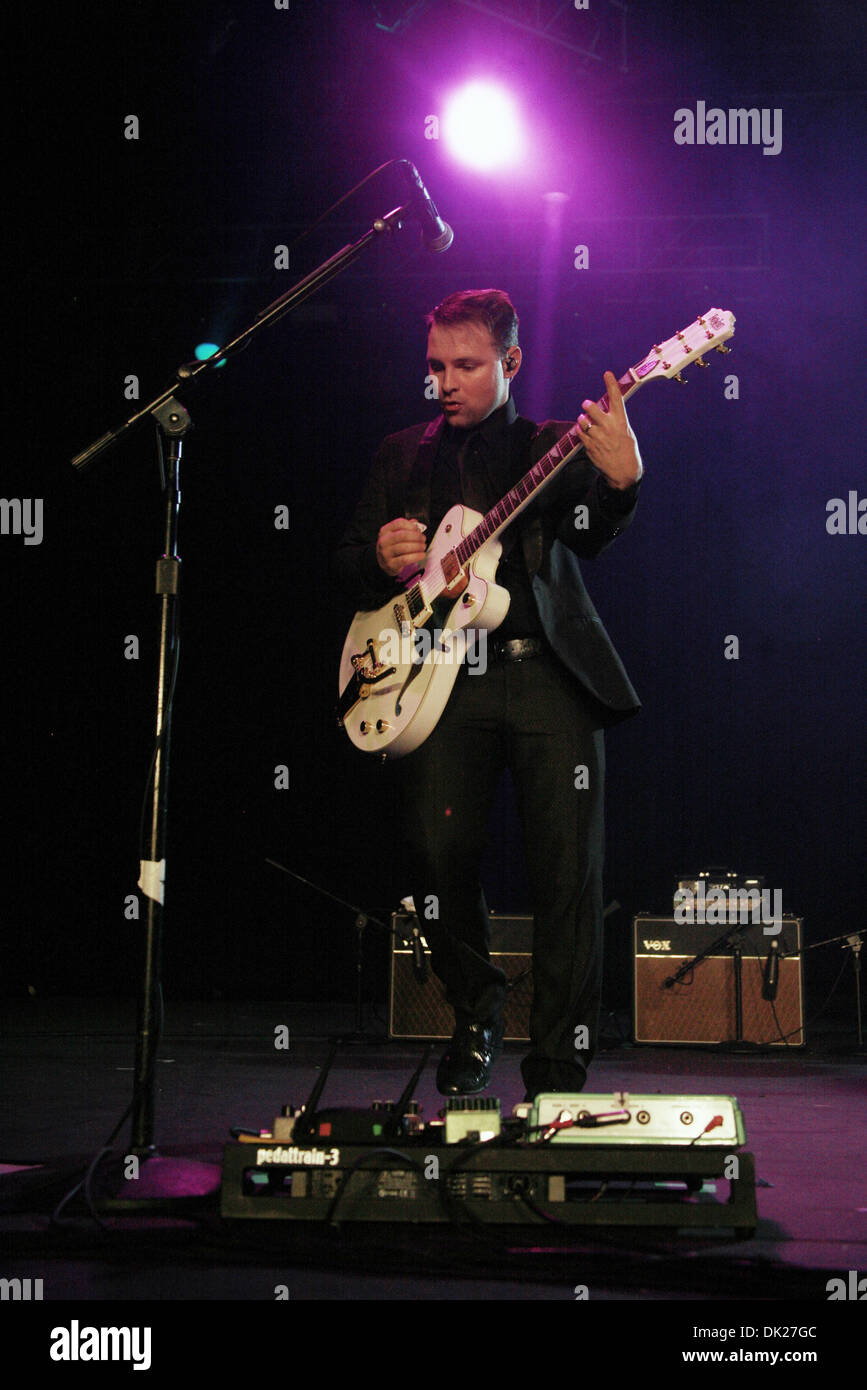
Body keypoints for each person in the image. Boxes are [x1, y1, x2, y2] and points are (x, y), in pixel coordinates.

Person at [334, 289, 643, 1100]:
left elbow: (587, 535)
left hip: (546, 673)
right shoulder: (400, 455)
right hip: (442, 681)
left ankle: (557, 1073)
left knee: (567, 877)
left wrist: (619, 483)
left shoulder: (550, 444)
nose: (444, 382)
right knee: (432, 852)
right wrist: (375, 557)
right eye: (435, 365)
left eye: (465, 366)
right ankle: (475, 1007)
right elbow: (346, 569)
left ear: (510, 362)